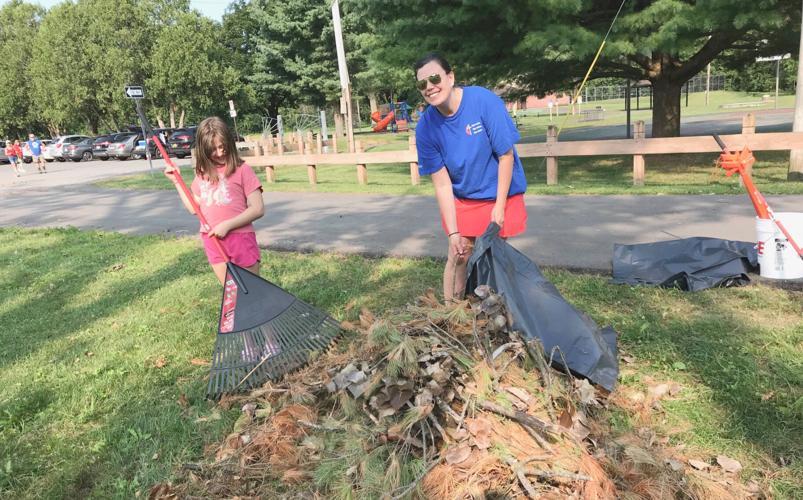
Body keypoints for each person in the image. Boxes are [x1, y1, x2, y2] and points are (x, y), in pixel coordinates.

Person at [413, 52, 528, 301]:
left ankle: (504, 312)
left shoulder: (483, 101)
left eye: (434, 78)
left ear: (450, 77)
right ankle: (451, 313)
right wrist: (454, 233)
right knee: (459, 253)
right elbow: (442, 184)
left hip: (499, 191)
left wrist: (499, 207)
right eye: (422, 84)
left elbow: (506, 155)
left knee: (495, 256)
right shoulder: (425, 128)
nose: (429, 87)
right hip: (465, 196)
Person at [163, 116, 265, 285]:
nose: (219, 153)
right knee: (230, 292)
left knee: (251, 289)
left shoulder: (242, 170)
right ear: (203, 150)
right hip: (213, 240)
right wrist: (177, 181)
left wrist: (227, 225)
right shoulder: (202, 173)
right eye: (213, 149)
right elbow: (194, 208)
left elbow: (258, 208)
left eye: (222, 147)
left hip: (240, 238)